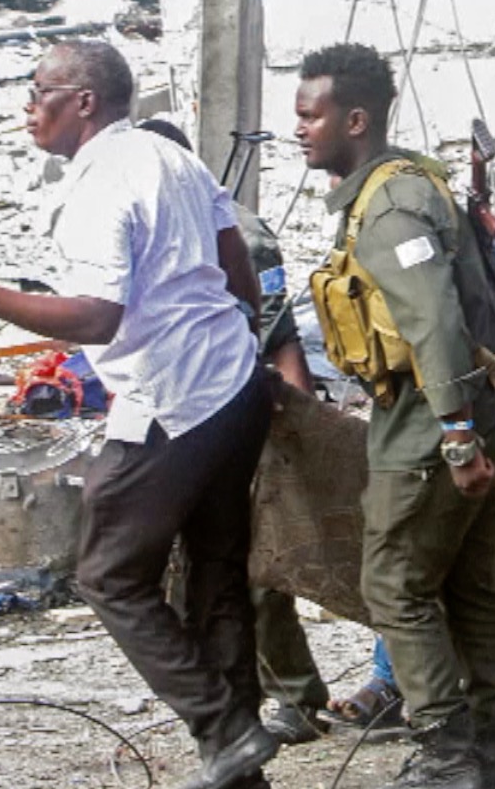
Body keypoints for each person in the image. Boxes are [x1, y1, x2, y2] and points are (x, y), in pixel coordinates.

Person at [0, 42, 277, 789]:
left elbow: (97, 319)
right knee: (215, 569)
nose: (27, 106)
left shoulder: (99, 183)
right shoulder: (171, 156)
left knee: (109, 573)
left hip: (173, 398)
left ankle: (222, 727)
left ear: (83, 101)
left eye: (38, 90)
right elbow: (239, 270)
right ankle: (238, 759)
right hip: (235, 383)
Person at [294, 42, 495, 789]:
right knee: (465, 582)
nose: (300, 128)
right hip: (467, 404)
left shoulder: (392, 207)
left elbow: (433, 322)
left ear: (355, 119)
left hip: (436, 416)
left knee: (395, 584)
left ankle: (445, 754)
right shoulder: (408, 181)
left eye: (312, 114)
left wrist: (458, 437)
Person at [135, 117, 330, 747]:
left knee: (257, 562)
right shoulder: (148, 227)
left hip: (238, 411)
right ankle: (230, 703)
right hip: (178, 419)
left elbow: (276, 333)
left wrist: (293, 425)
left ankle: (294, 697)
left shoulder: (239, 231)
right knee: (204, 569)